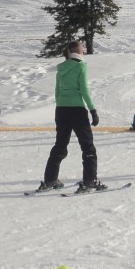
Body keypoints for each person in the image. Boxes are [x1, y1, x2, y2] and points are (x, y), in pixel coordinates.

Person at [38, 41, 105, 192]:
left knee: (60, 145)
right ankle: (90, 180)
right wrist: (93, 110)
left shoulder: (61, 68)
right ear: (78, 50)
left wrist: (62, 106)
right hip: (77, 110)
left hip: (61, 110)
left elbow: (57, 92)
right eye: (82, 46)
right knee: (88, 146)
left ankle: (50, 179)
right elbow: (84, 90)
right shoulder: (81, 66)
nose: (84, 48)